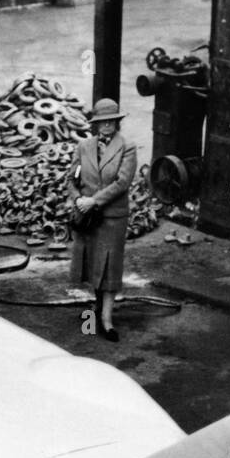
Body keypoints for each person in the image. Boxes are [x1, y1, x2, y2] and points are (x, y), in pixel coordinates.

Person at [68, 98, 137, 342]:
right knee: (95, 263)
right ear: (95, 125)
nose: (106, 126)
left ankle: (107, 320)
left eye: (111, 121)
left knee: (109, 266)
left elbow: (122, 182)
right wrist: (77, 199)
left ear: (117, 122)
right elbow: (72, 178)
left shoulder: (127, 147)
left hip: (111, 217)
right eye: (101, 122)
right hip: (88, 217)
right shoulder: (84, 146)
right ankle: (97, 309)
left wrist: (93, 201)